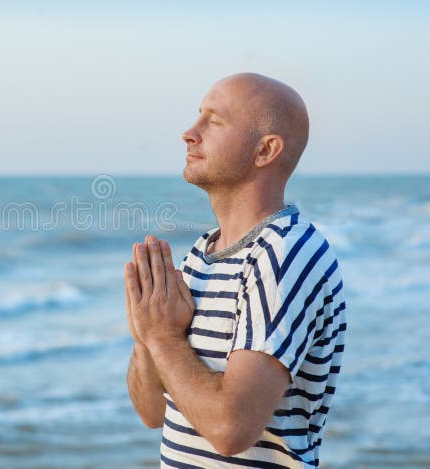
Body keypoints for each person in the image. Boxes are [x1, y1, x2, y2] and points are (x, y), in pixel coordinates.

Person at [124, 73, 346, 468]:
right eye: (198, 117)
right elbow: (152, 414)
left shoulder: (284, 254)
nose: (189, 134)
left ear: (265, 151)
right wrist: (146, 335)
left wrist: (162, 338)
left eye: (214, 121)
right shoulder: (202, 252)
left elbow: (231, 429)